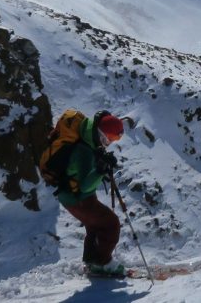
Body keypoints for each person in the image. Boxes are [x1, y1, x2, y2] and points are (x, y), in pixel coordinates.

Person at [56, 112, 126, 277]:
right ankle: (103, 263)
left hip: (70, 194)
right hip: (76, 197)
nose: (109, 142)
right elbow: (86, 186)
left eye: (114, 140)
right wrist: (101, 170)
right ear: (100, 132)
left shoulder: (88, 138)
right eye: (109, 137)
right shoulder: (84, 150)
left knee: (95, 225)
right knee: (111, 224)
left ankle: (91, 261)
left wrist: (100, 163)